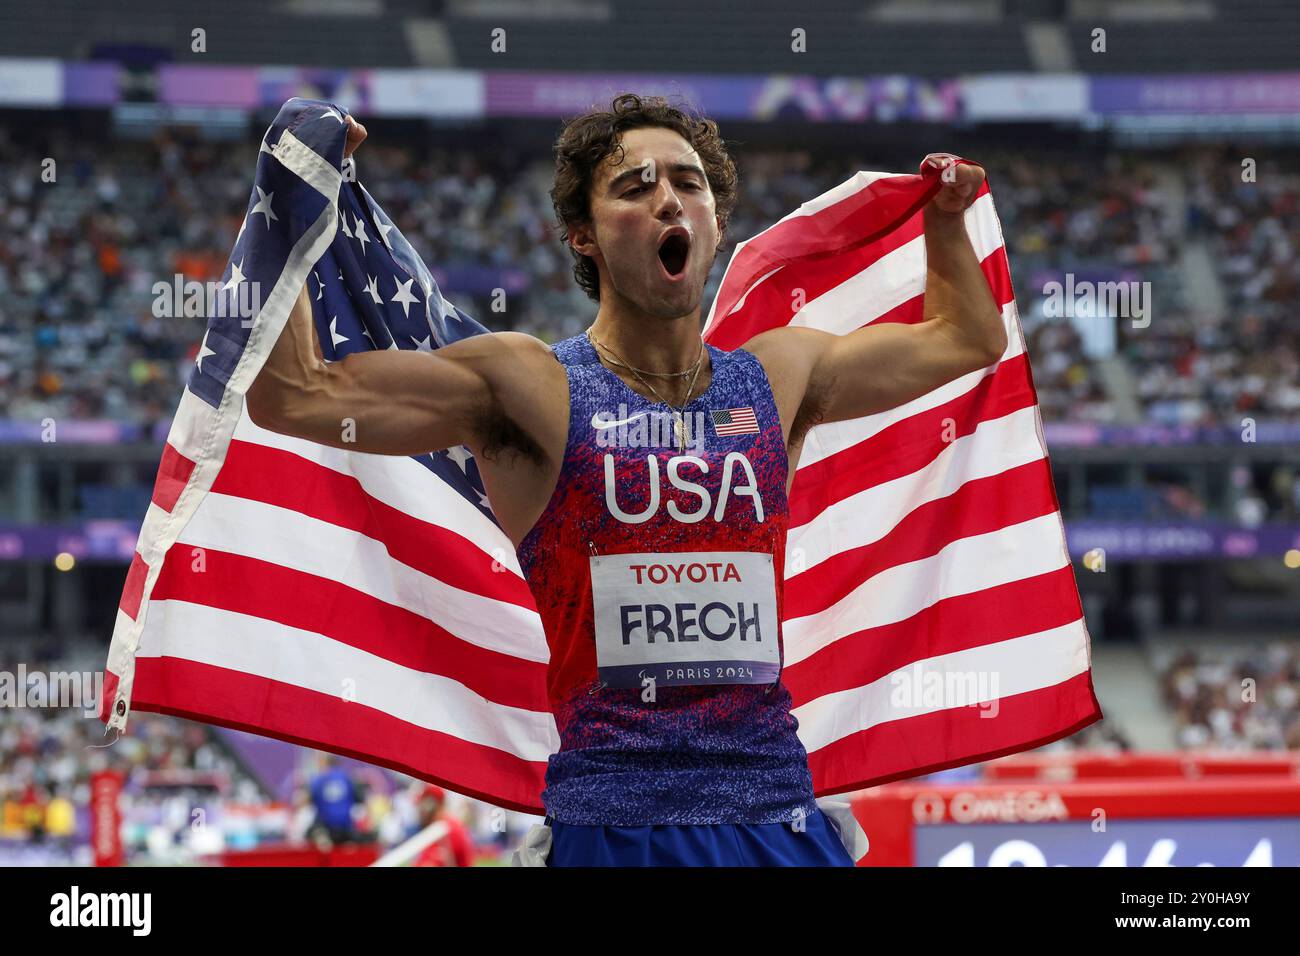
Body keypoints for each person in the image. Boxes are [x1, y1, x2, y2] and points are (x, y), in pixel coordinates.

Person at [247, 93, 1004, 866]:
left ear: (714, 225)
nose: (669, 197)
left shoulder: (781, 376)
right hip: (616, 825)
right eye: (635, 187)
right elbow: (294, 396)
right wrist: (288, 194)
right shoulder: (530, 387)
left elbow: (967, 338)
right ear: (585, 235)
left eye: (688, 183)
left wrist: (945, 223)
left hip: (779, 815)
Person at [410, 785, 476, 867]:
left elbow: (429, 864)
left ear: (430, 806)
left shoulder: (447, 830)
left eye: (422, 806)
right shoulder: (442, 827)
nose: (419, 811)